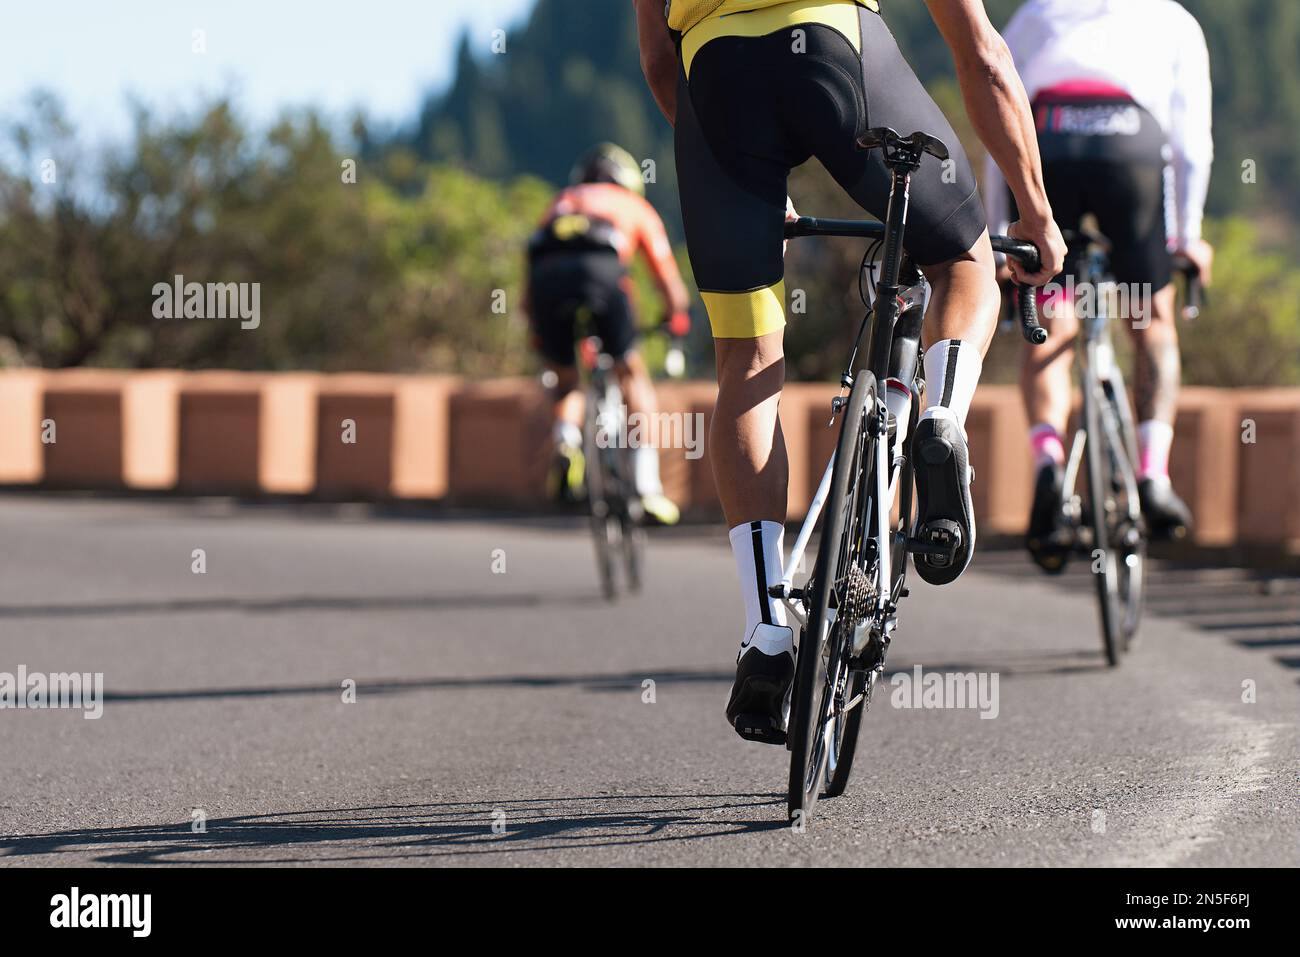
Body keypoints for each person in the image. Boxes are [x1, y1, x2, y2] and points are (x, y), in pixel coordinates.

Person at [633, 0, 1065, 742]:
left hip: (715, 76)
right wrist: (1036, 213)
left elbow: (656, 60)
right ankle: (939, 419)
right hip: (835, 48)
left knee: (746, 358)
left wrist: (745, 179)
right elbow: (982, 53)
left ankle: (765, 631)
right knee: (964, 260)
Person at [983, 0, 1214, 569]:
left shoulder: (1038, 12)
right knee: (1149, 319)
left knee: (1054, 311)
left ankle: (1048, 469)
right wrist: (1187, 237)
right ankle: (1153, 476)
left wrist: (999, 237)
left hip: (1048, 143)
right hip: (1128, 146)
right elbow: (1190, 146)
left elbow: (998, 121)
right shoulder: (1175, 21)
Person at [524, 142, 693, 526]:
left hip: (546, 282)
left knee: (567, 382)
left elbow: (527, 282)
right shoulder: (632, 205)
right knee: (631, 373)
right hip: (602, 274)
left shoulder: (560, 202)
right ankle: (648, 486)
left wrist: (537, 329)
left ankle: (567, 439)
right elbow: (668, 282)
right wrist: (675, 320)